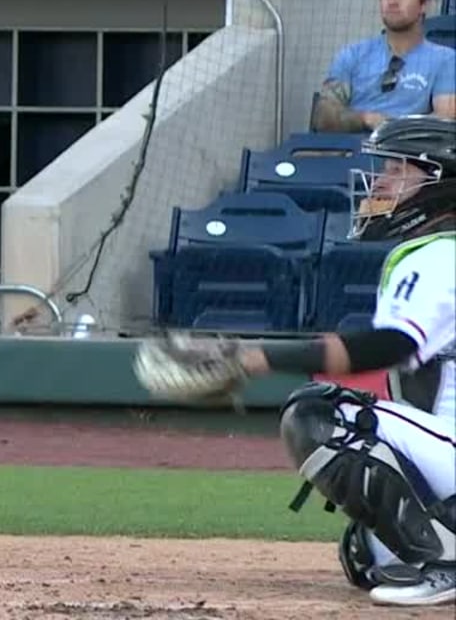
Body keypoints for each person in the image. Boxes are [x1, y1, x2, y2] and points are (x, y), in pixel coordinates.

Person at [135, 114, 455, 608]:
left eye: (399, 170)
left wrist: (254, 358)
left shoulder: (436, 256)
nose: (382, 183)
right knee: (369, 556)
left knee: (319, 416)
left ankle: (449, 560)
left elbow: (391, 345)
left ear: (441, 183)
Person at [312, 0, 455, 134]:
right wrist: (366, 118)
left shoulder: (445, 60)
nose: (392, 0)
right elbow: (323, 117)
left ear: (424, 5)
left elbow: (443, 123)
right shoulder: (353, 54)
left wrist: (393, 130)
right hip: (350, 154)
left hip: (409, 156)